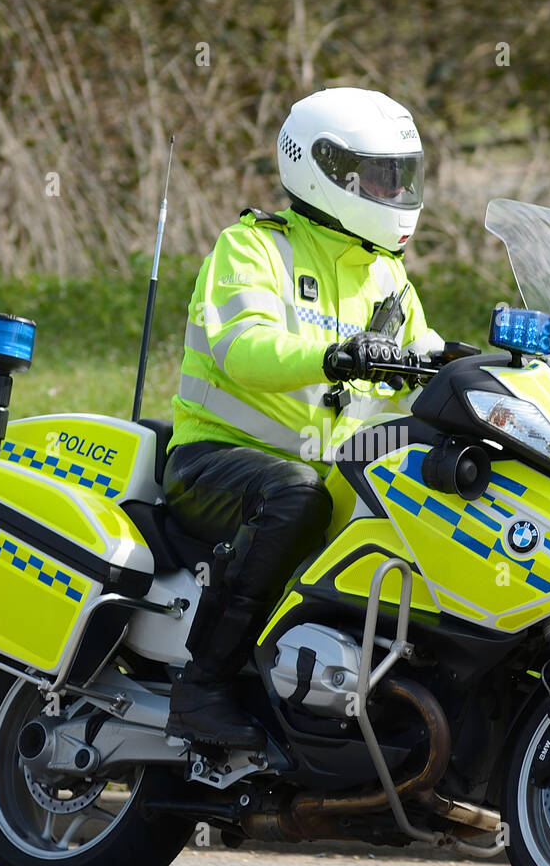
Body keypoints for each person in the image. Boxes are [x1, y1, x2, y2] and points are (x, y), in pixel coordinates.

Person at [163, 87, 444, 749]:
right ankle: (202, 686)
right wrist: (335, 355)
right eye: (378, 176)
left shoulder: (389, 280)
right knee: (294, 496)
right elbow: (242, 348)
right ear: (323, 170)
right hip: (216, 460)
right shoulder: (254, 248)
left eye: (400, 175)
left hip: (333, 470)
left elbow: (423, 360)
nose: (393, 189)